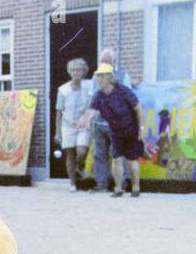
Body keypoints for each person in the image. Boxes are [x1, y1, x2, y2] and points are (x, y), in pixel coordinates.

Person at [81, 65, 144, 198]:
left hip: (131, 129)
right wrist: (86, 121)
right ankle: (118, 189)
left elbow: (139, 109)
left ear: (109, 77)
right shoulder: (98, 95)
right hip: (115, 131)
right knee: (116, 159)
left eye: (101, 76)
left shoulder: (123, 91)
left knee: (132, 160)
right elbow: (91, 111)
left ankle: (136, 187)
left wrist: (142, 128)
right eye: (98, 76)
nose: (98, 79)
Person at [88, 49, 131, 193]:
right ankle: (101, 184)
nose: (104, 63)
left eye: (107, 61)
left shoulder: (123, 76)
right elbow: (93, 97)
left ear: (114, 62)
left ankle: (122, 183)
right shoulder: (96, 77)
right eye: (103, 61)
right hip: (99, 123)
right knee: (99, 154)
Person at [54, 58, 92, 191]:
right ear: (70, 72)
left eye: (79, 70)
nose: (76, 73)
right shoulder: (63, 90)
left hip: (83, 125)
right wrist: (57, 132)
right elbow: (59, 112)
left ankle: (80, 165)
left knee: (81, 151)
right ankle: (72, 183)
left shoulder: (89, 86)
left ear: (84, 72)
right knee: (70, 153)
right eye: (73, 70)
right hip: (68, 125)